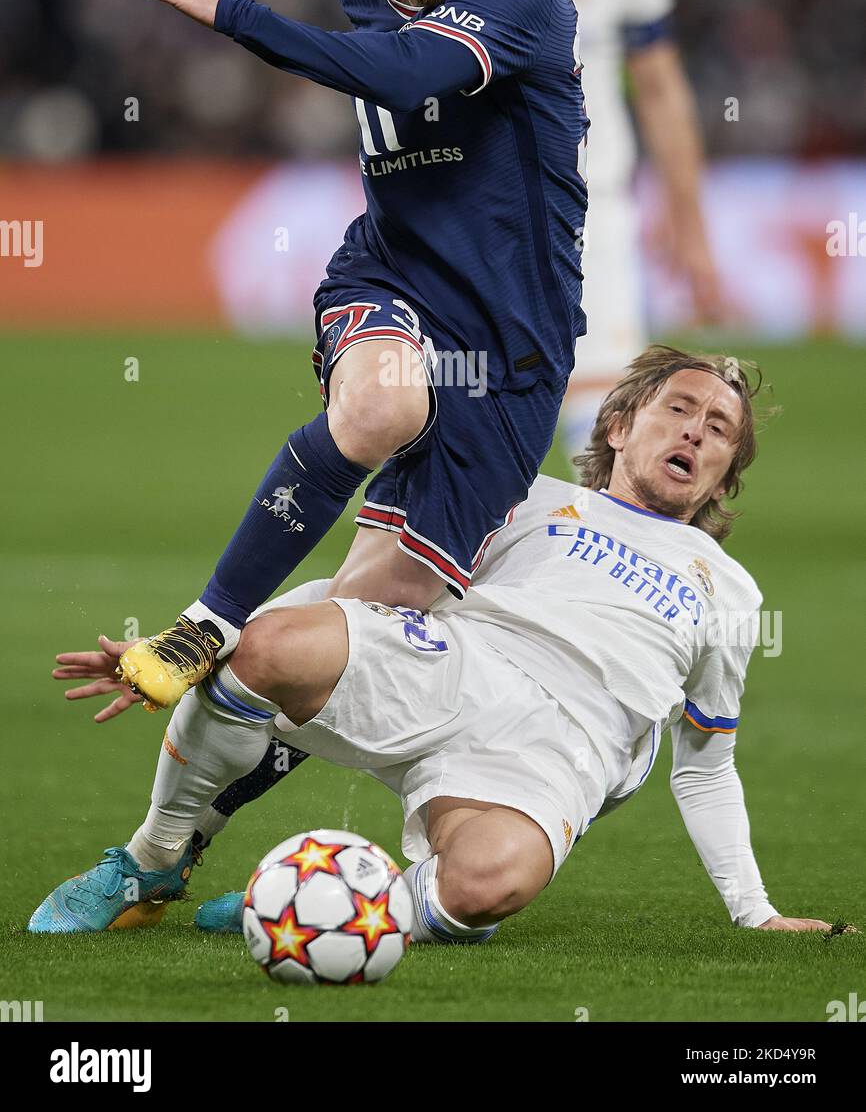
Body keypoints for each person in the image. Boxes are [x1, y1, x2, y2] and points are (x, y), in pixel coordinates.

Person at [31, 347, 841, 940]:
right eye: (680, 409)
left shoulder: (728, 591)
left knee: (489, 883)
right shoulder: (524, 494)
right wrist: (212, 644)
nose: (697, 433)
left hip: (560, 752)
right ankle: (153, 857)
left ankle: (321, 903)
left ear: (727, 471)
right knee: (267, 648)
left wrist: (756, 911)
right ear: (621, 425)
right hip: (455, 663)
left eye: (720, 429)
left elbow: (706, 765)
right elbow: (372, 587)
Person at [105, 0, 589, 722]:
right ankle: (203, 622)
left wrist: (228, 12)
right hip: (389, 277)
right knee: (381, 403)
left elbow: (406, 76)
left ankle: (177, 835)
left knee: (358, 630)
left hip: (515, 345)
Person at [483, 0, 723, 454]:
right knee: (476, 425)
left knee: (608, 429)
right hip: (482, 218)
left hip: (595, 217)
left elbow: (661, 91)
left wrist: (690, 226)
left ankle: (593, 558)